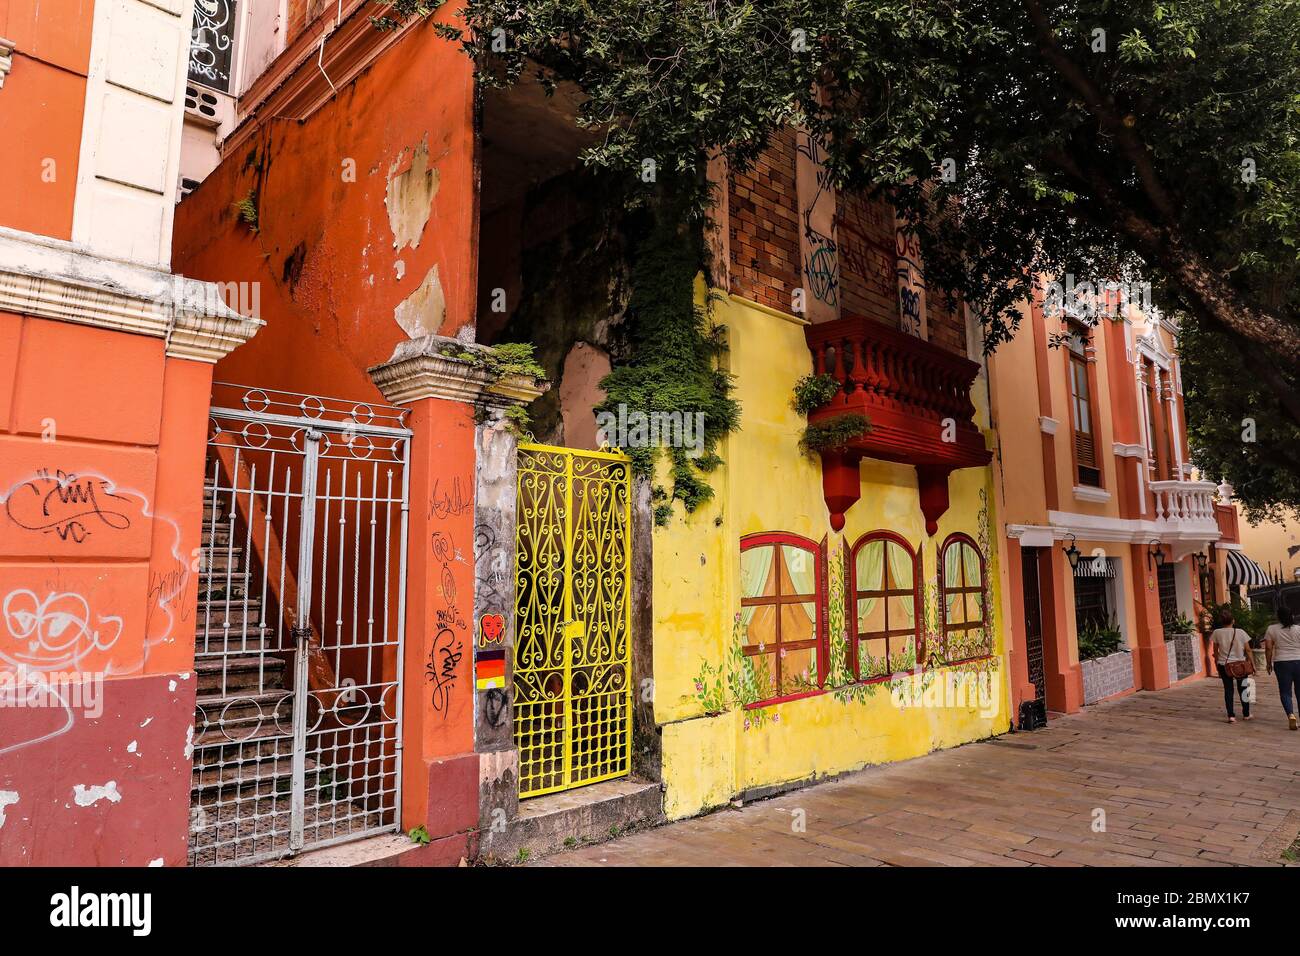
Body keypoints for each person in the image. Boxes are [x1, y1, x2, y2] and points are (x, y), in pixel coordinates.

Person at [1209, 608, 1253, 723]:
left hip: (1224, 665)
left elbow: (1215, 651)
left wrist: (1217, 664)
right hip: (1240, 665)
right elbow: (1248, 650)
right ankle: (1246, 714)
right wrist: (1253, 664)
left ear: (1221, 621)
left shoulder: (1217, 632)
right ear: (1233, 621)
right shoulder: (1241, 632)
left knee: (1228, 690)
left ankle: (1231, 716)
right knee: (1243, 689)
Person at [1264, 605, 1300, 731]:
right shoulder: (1298, 629)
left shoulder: (1271, 629)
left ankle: (1290, 714)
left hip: (1282, 662)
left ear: (1278, 616)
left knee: (1285, 692)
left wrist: (1268, 663)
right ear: (1292, 615)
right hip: (1298, 661)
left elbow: (1268, 648)